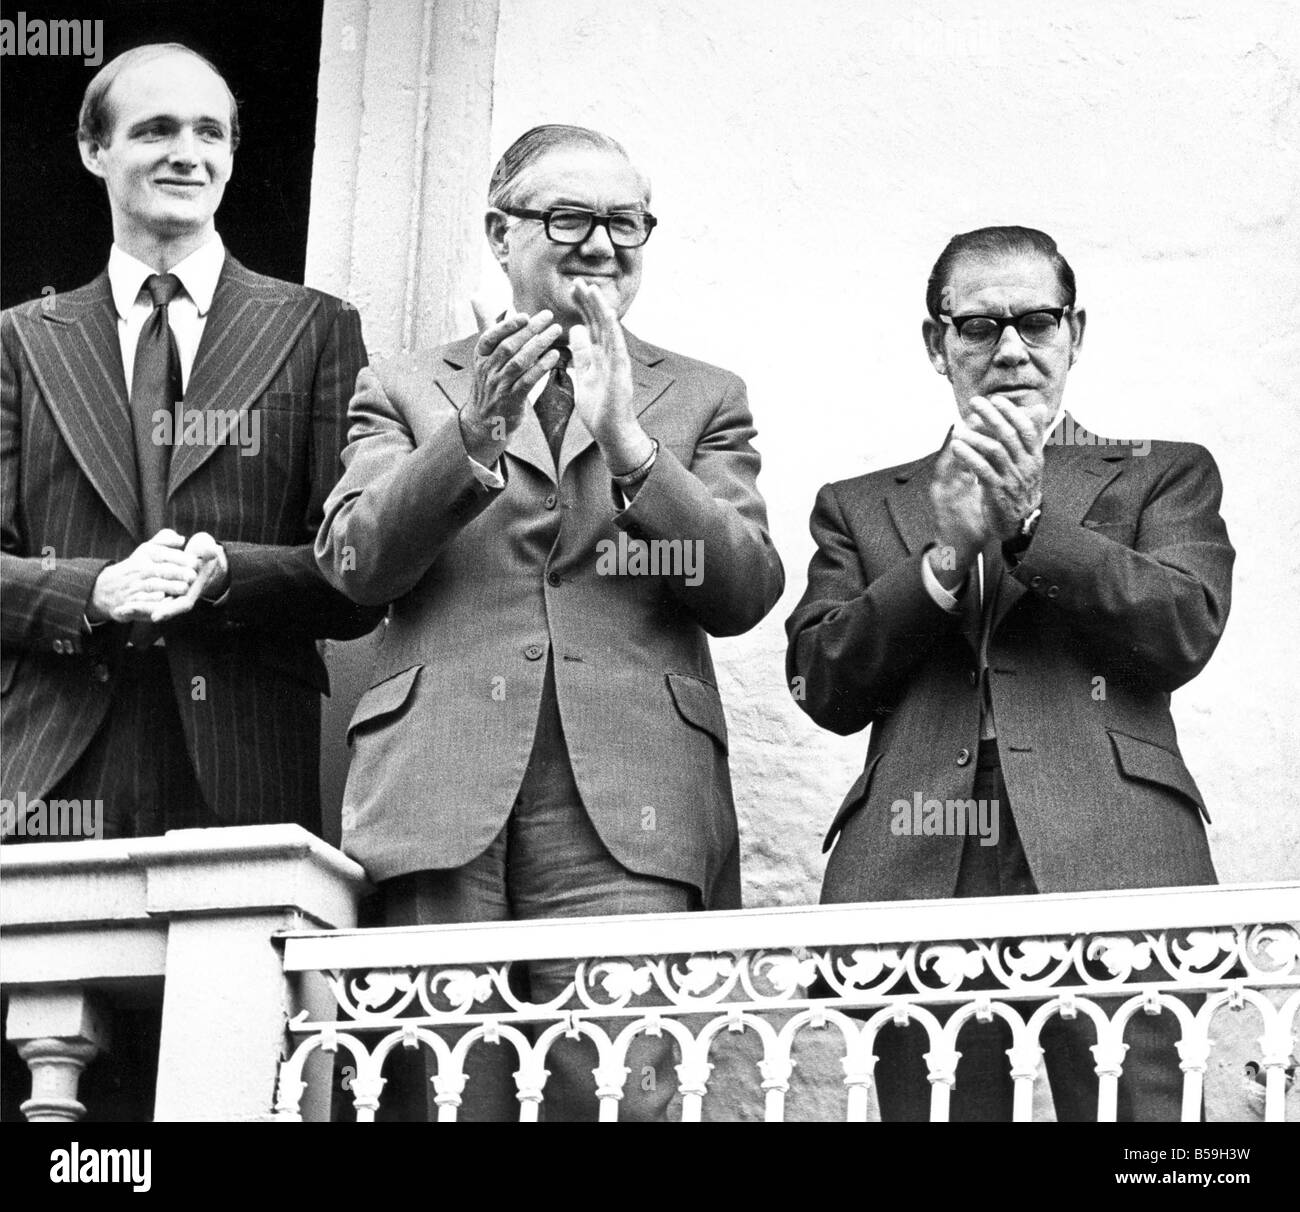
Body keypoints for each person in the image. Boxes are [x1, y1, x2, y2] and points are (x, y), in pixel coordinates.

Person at [316, 124, 783, 1120]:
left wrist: (631, 446)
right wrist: (471, 434)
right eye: (572, 217)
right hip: (439, 799)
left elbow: (742, 588)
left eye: (628, 223)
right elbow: (355, 566)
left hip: (630, 812)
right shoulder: (404, 385)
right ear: (501, 231)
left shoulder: (701, 397)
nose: (604, 245)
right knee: (437, 1096)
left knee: (620, 1093)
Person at [786, 225, 1233, 1121]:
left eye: (1037, 321)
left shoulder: (1163, 475)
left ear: (1076, 332)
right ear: (935, 343)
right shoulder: (861, 503)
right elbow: (820, 683)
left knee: (1148, 1143)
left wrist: (1031, 523)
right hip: (916, 854)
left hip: (1115, 851)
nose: (1013, 348)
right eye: (980, 326)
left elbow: (1182, 630)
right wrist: (942, 565)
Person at [0, 43, 375, 842]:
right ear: (93, 149)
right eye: (156, 130)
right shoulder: (19, 341)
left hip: (242, 777)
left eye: (210, 133)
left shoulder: (317, 330)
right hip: (45, 779)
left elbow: (360, 574)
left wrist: (228, 573)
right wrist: (93, 590)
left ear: (233, 158)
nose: (187, 154)